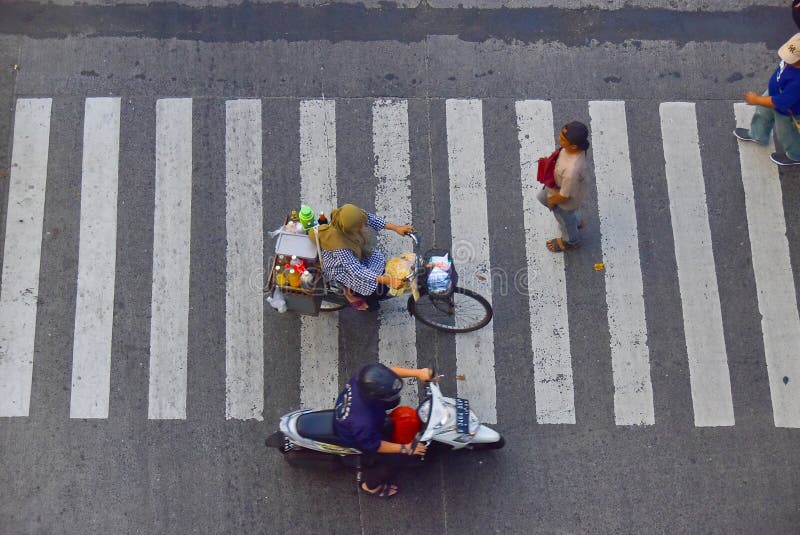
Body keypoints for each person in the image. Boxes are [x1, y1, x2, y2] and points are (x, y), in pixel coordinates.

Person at [333, 363, 435, 499]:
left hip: (363, 419)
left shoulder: (364, 376)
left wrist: (418, 373)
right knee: (395, 461)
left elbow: (387, 373)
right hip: (357, 438)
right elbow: (376, 445)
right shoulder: (364, 422)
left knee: (394, 405)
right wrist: (405, 448)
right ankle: (370, 487)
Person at [308, 204, 412, 311]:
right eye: (360, 226)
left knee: (377, 260)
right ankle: (349, 293)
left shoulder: (351, 217)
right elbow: (356, 271)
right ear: (350, 230)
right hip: (341, 268)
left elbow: (371, 219)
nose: (364, 226)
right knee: (373, 289)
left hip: (356, 255)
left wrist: (396, 228)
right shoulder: (340, 247)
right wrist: (388, 280)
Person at [734, 33, 800, 166]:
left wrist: (756, 99)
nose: (786, 60)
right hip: (774, 94)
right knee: (762, 114)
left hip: (787, 111)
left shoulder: (798, 82)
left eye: (791, 59)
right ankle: (758, 134)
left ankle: (795, 155)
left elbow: (779, 103)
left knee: (786, 134)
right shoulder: (793, 60)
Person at [537, 121, 590, 253]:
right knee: (543, 198)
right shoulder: (573, 150)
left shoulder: (571, 171)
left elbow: (564, 195)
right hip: (556, 187)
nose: (558, 138)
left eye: (562, 138)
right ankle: (576, 221)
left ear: (573, 146)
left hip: (563, 200)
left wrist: (552, 201)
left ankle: (571, 241)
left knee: (565, 220)